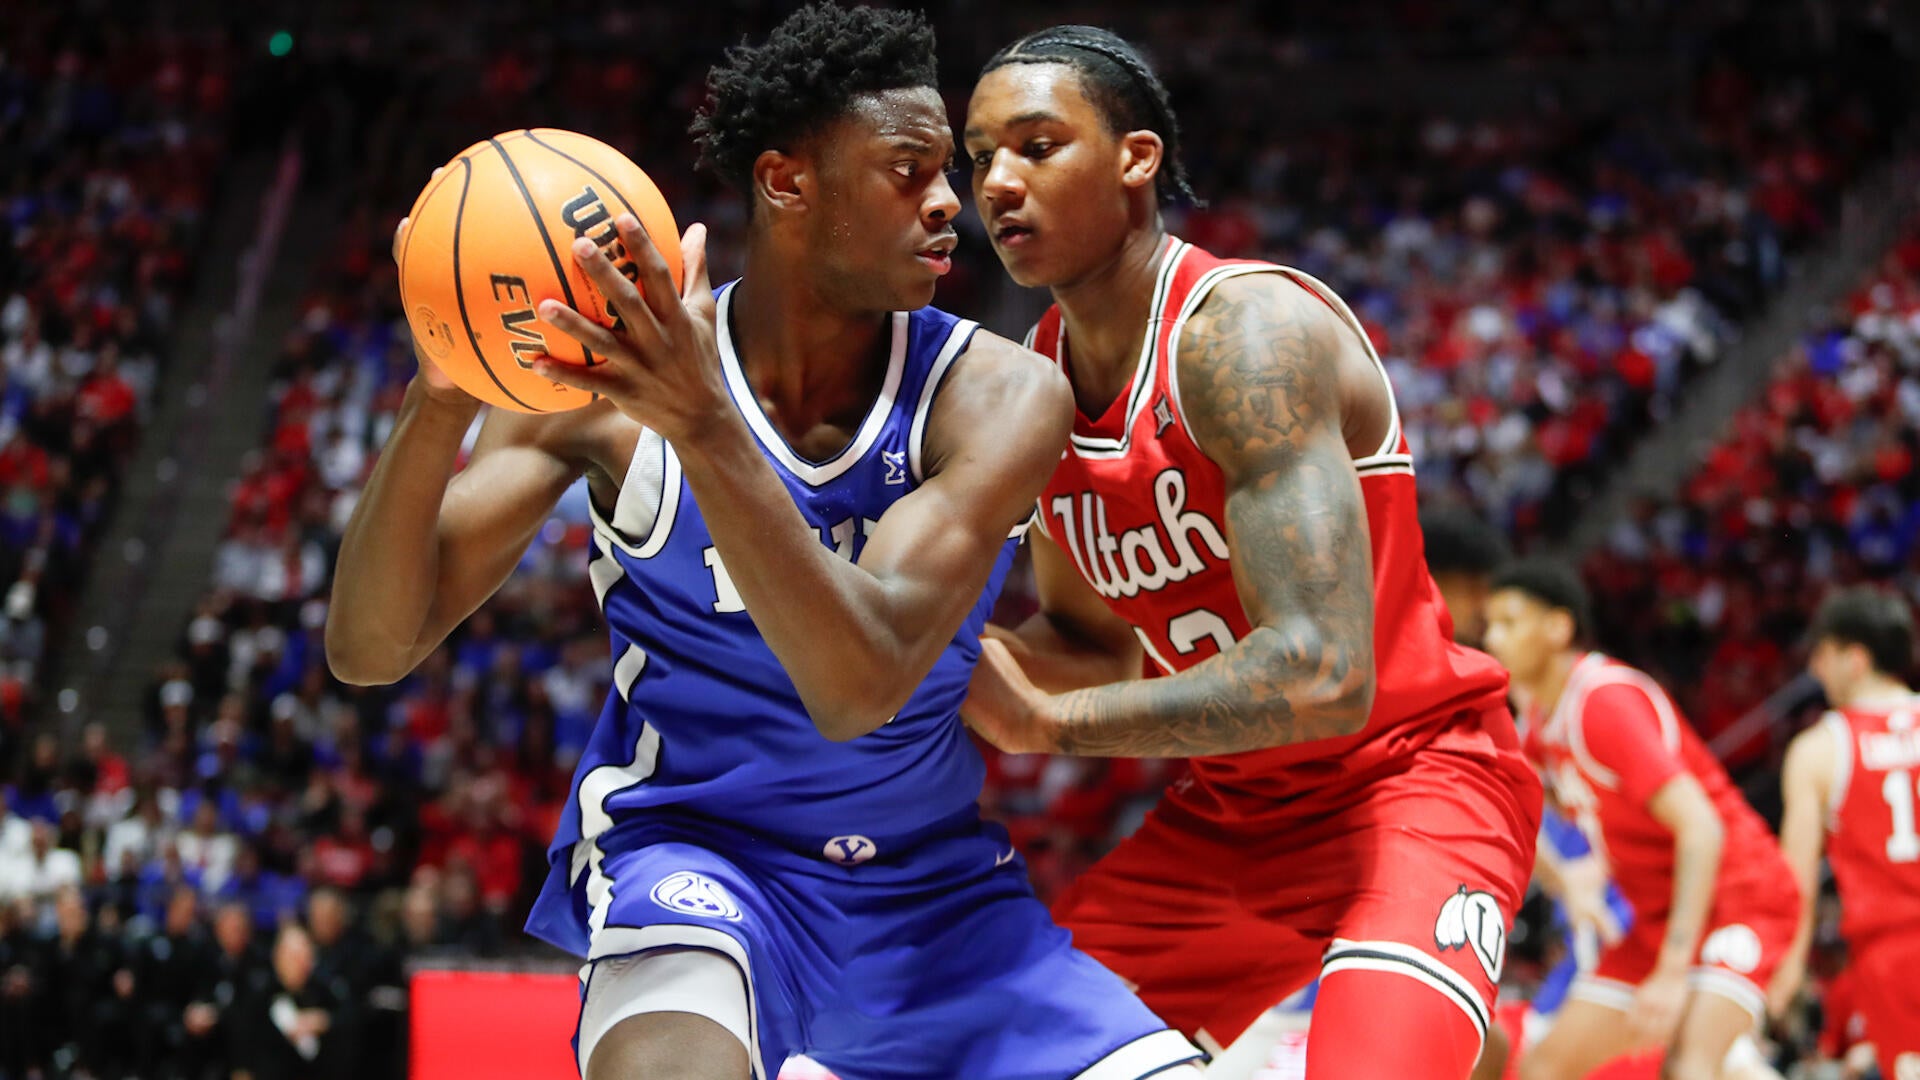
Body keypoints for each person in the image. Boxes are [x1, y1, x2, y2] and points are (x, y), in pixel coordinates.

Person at [325, 7, 1200, 1080]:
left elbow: (860, 684)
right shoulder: (606, 398)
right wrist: (441, 391)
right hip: (697, 868)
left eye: (948, 172)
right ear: (788, 184)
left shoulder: (1000, 394)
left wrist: (705, 427)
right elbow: (370, 647)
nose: (949, 203)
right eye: (909, 171)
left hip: (937, 894)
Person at [960, 27, 1542, 1079]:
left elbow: (1321, 674)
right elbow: (1091, 641)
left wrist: (1045, 721)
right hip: (1233, 818)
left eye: (1036, 146)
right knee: (995, 1059)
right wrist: (945, 658)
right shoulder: (1032, 388)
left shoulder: (1243, 334)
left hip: (1410, 783)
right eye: (979, 156)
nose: (997, 182)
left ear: (1136, 158)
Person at [1482, 561, 1796, 1080]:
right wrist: (1567, 881)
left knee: (1688, 1066)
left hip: (1738, 898)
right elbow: (1514, 815)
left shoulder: (1603, 701)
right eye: (1490, 624)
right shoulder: (1540, 721)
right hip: (1657, 917)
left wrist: (1672, 972)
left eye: (1509, 623)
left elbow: (1701, 828)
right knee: (1544, 1069)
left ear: (1558, 628)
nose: (1492, 638)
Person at [1775, 586, 1920, 1080]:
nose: (1815, 670)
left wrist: (1788, 966)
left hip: (1894, 957)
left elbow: (1796, 880)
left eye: (1823, 654)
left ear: (1855, 659)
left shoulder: (1819, 748)